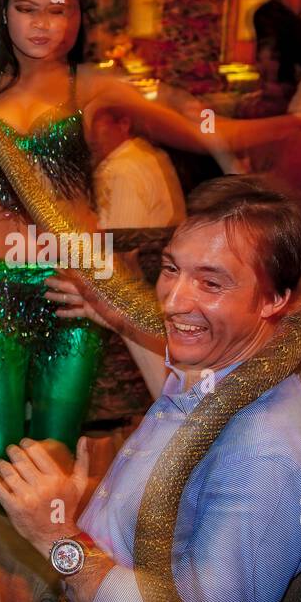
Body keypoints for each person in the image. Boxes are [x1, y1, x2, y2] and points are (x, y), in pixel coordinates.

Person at [0, 176, 301, 602]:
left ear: (275, 300)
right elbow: (185, 424)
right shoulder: (217, 379)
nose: (174, 300)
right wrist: (118, 321)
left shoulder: (266, 453)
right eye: (171, 270)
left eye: (211, 283)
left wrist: (59, 539)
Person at [0, 0, 301, 467]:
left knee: (56, 441)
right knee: (3, 442)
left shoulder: (91, 84)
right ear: (5, 13)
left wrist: (286, 126)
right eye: (28, 9)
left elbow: (200, 131)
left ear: (75, 18)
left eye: (58, 10)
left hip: (77, 284)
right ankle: (15, 535)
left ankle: (56, 544)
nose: (44, 24)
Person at [89, 105, 186, 398]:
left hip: (141, 289)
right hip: (156, 287)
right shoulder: (147, 156)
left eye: (99, 123)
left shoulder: (122, 168)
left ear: (124, 123)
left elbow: (119, 244)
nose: (90, 134)